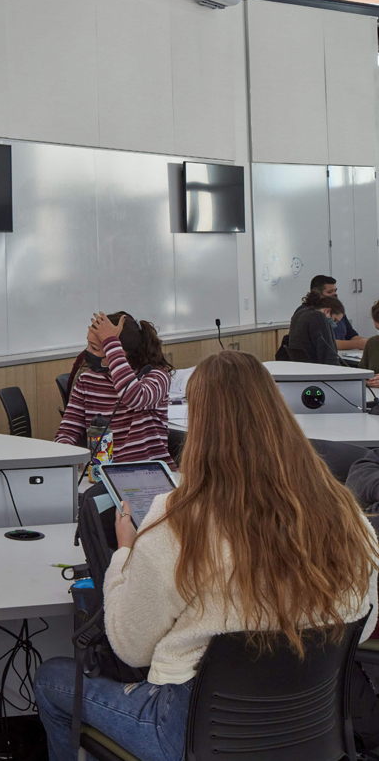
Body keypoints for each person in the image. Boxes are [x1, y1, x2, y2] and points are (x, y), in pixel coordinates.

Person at [35, 351, 379, 761]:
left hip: (195, 733)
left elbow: (131, 648)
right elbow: (366, 616)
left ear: (198, 426)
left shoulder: (178, 520)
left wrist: (125, 554)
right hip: (311, 727)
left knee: (54, 679)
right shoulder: (344, 511)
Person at [54, 310, 172, 467]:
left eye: (95, 348)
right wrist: (71, 455)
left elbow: (134, 397)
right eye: (88, 345)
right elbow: (66, 433)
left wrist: (111, 342)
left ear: (118, 352)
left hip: (148, 473)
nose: (87, 352)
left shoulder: (156, 376)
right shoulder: (87, 380)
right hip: (102, 474)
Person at [312, 273, 368, 351]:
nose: (334, 294)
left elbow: (351, 334)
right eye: (330, 292)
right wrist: (358, 344)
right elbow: (327, 342)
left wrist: (369, 342)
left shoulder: (337, 309)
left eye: (335, 291)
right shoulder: (312, 313)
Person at [288, 288, 341, 365]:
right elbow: (329, 357)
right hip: (319, 371)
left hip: (303, 370)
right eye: (335, 320)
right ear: (327, 311)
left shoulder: (300, 314)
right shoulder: (319, 317)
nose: (334, 324)